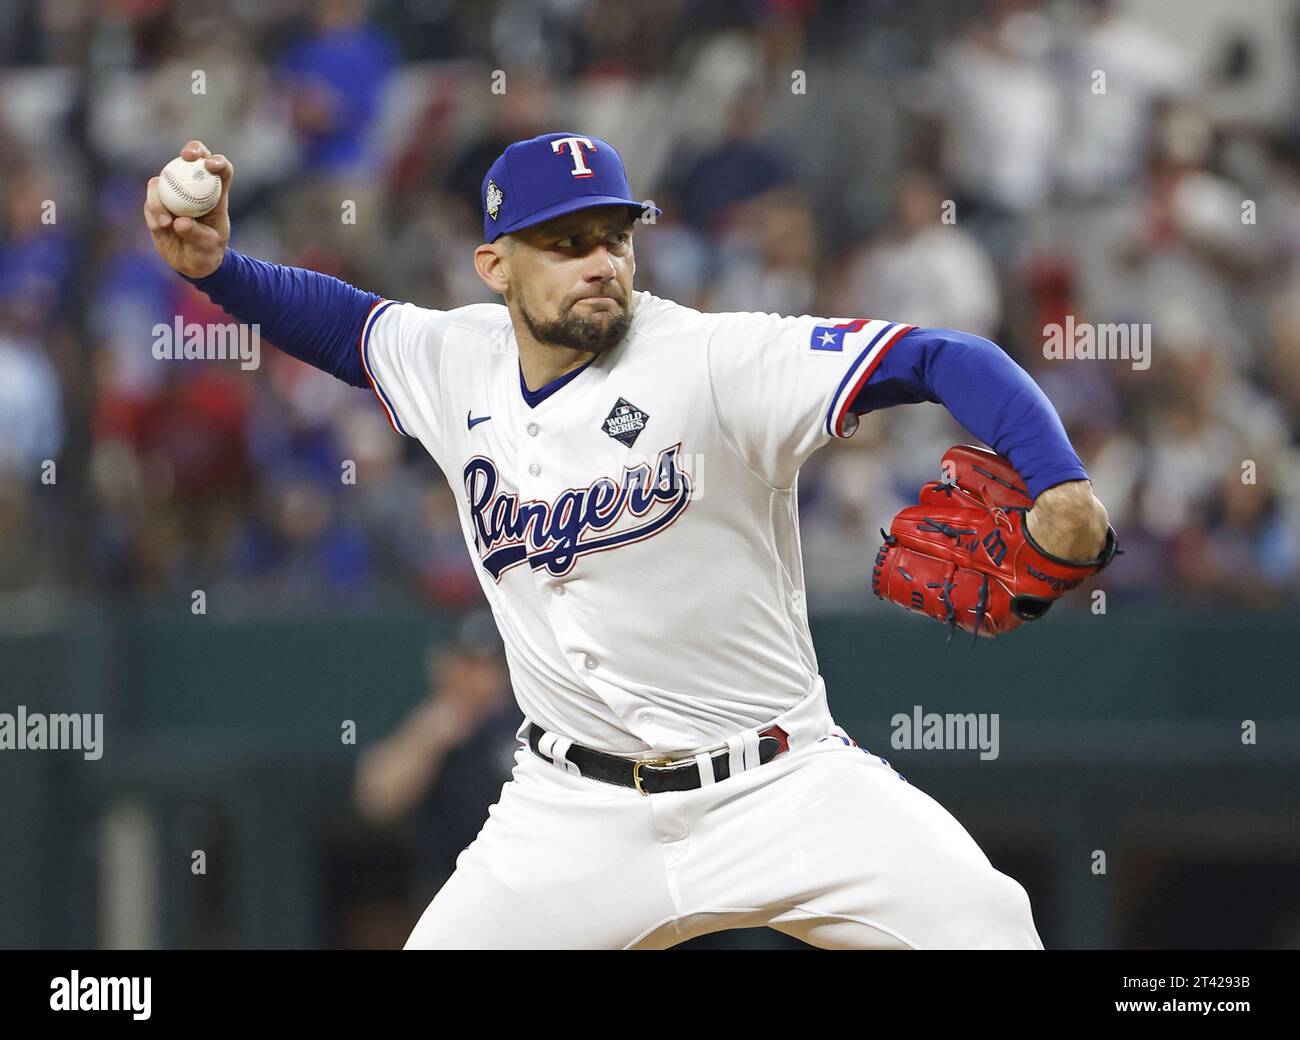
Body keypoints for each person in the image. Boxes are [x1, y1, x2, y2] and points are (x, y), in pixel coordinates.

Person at [144, 132, 1112, 949]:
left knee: (988, 921)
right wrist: (217, 269)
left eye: (613, 236)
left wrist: (1058, 482)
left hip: (781, 782)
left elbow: (945, 356)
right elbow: (341, 325)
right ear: (495, 266)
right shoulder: (457, 356)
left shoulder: (715, 357)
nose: (600, 260)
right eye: (564, 243)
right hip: (570, 812)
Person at [354, 612, 521, 901]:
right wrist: (428, 738)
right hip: (449, 889)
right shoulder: (430, 722)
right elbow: (376, 801)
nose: (480, 676)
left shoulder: (523, 722)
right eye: (468, 663)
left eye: (489, 664)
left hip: (521, 882)